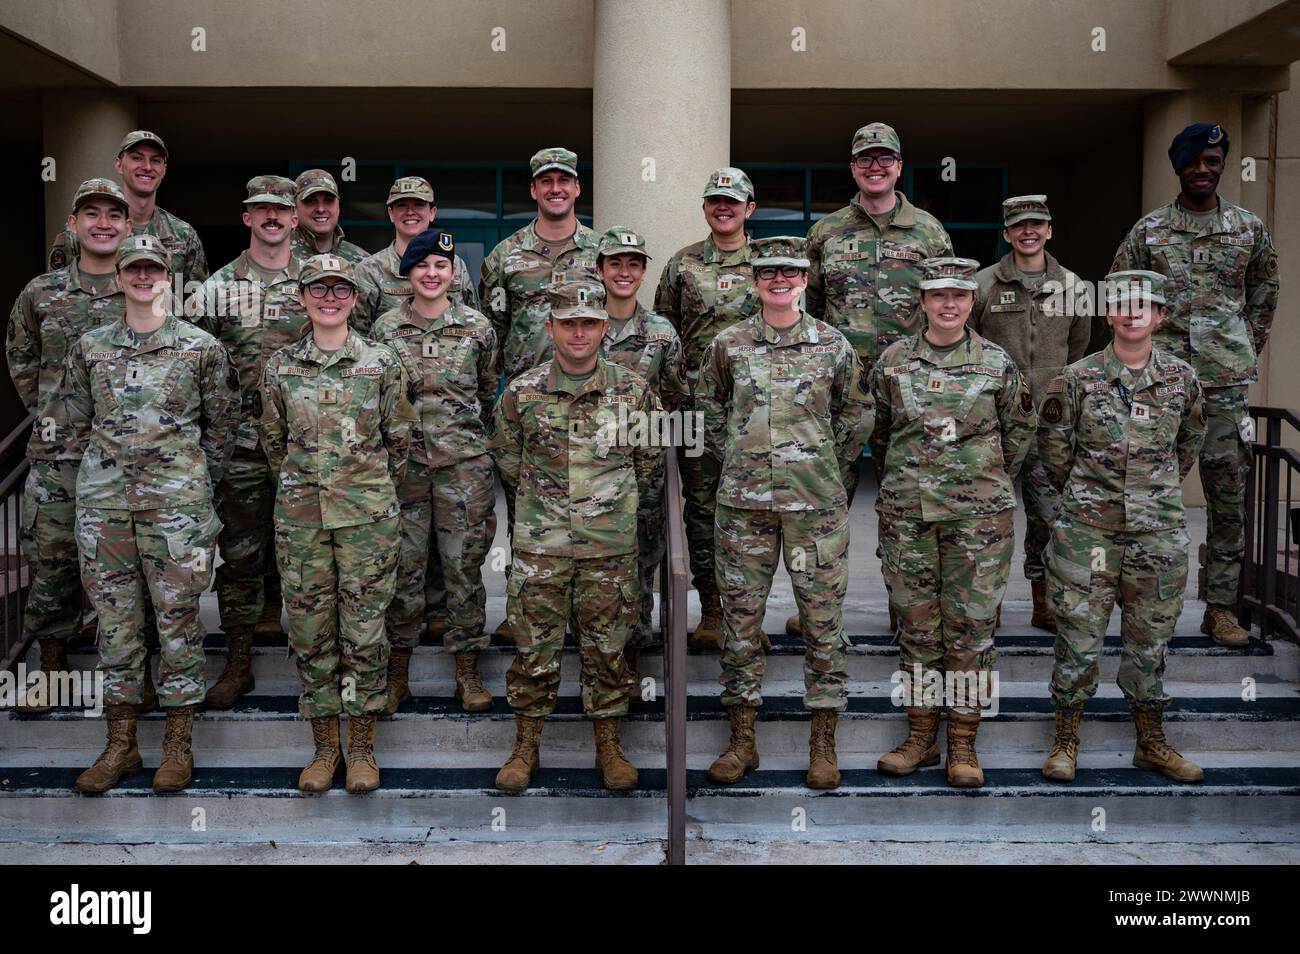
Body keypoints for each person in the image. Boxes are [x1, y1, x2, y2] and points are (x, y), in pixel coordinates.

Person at [64, 234, 238, 793]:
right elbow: (73, 421)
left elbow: (222, 428)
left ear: (168, 277)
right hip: (106, 510)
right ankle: (120, 747)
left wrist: (189, 483)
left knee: (178, 626)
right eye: (132, 269)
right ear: (118, 278)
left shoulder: (201, 348)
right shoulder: (89, 347)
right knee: (116, 630)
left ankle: (177, 746)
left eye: (152, 269)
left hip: (176, 516)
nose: (143, 277)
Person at [697, 237, 872, 790]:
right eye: (769, 272)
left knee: (822, 623)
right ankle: (742, 740)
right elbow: (708, 409)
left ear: (804, 279)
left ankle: (823, 741)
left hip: (814, 510)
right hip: (744, 508)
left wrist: (822, 464)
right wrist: (743, 459)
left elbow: (857, 414)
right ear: (755, 279)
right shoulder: (728, 344)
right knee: (741, 623)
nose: (779, 280)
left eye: (790, 272)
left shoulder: (833, 345)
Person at [868, 257, 1035, 788]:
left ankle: (964, 743)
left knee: (970, 631)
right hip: (908, 516)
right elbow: (879, 430)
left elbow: (1019, 432)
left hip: (978, 521)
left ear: (971, 302)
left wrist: (979, 479)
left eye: (958, 296)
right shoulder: (892, 361)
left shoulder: (996, 363)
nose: (948, 304)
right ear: (921, 301)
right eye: (937, 295)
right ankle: (919, 736)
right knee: (917, 630)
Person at [1110, 122, 1278, 648]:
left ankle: (1221, 608)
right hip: (1158, 384)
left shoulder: (1247, 228)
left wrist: (1239, 346)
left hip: (1223, 387)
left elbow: (1264, 291)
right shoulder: (1150, 231)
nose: (1204, 170)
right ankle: (1141, 603)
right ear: (1177, 166)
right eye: (1194, 161)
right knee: (1144, 493)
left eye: (1213, 160)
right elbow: (1119, 291)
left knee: (1228, 499)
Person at [1037, 270, 1207, 784]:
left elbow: (1189, 442)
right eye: (1122, 303)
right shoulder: (1077, 378)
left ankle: (1150, 741)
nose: (1133, 311)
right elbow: (1054, 450)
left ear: (1160, 316)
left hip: (1157, 532)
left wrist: (1151, 492)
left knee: (1150, 639)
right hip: (1088, 530)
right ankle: (1065, 740)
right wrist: (1092, 497)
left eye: (1145, 304)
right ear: (1108, 314)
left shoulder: (1182, 378)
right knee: (1077, 636)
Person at [488, 282, 657, 793]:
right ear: (551, 328)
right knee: (533, 649)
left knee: (608, 648)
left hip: (608, 545)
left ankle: (609, 746)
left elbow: (647, 462)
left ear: (604, 328)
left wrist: (608, 507)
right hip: (542, 546)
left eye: (588, 323)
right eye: (568, 323)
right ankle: (526, 746)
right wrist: (549, 507)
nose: (578, 332)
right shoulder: (523, 391)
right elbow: (506, 455)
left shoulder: (632, 390)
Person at [256, 254, 414, 794]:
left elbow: (399, 440)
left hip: (367, 518)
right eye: (318, 289)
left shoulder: (381, 362)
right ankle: (325, 749)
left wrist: (361, 486)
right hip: (301, 521)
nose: (329, 297)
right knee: (309, 631)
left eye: (340, 289)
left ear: (354, 298)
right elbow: (274, 443)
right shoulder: (280, 367)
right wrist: (307, 487)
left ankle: (363, 748)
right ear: (302, 297)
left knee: (364, 633)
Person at [8, 179, 134, 714]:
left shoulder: (144, 289)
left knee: (123, 568)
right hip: (58, 456)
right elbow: (21, 356)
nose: (103, 223)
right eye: (92, 214)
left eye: (113, 215)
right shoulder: (41, 292)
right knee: (52, 561)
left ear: (129, 227)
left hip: (126, 456)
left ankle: (126, 672)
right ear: (73, 223)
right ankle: (53, 668)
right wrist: (51, 413)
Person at [194, 176, 310, 708]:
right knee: (240, 558)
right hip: (239, 445)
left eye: (280, 210)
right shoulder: (217, 287)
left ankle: (314, 670)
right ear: (247, 218)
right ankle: (238, 663)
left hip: (306, 447)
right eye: (260, 209)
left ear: (294, 217)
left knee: (308, 558)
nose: (271, 217)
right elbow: (194, 364)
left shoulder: (319, 281)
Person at [372, 230, 499, 714]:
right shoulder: (384, 330)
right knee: (401, 570)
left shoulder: (477, 328)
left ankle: (467, 672)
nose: (431, 273)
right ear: (408, 272)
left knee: (463, 569)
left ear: (452, 274)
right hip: (402, 469)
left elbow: (488, 389)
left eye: (441, 266)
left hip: (462, 470)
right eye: (422, 264)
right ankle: (397, 673)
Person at [479, 147, 600, 641]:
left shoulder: (599, 251)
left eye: (564, 181)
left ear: (576, 189)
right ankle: (523, 611)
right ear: (533, 190)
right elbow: (490, 336)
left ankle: (588, 612)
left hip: (591, 403)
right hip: (530, 409)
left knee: (593, 507)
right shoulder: (504, 256)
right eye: (545, 181)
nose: (555, 189)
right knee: (526, 513)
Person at [975, 195, 1091, 632]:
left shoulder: (1074, 286)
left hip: (1050, 423)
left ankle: (1043, 598)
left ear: (1049, 230)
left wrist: (1054, 386)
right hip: (995, 423)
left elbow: (1078, 345)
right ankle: (987, 600)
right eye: (1019, 226)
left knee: (1049, 516)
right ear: (1006, 234)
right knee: (989, 517)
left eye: (1037, 224)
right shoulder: (984, 283)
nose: (1029, 232)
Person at [653, 167, 759, 649]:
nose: (724, 208)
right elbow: (666, 334)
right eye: (716, 200)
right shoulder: (682, 264)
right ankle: (713, 611)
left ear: (748, 209)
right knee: (702, 510)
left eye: (733, 202)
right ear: (705, 207)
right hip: (697, 411)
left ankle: (748, 617)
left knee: (756, 514)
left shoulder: (768, 263)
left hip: (756, 411)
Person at [595, 226, 686, 676]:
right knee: (596, 568)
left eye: (633, 264)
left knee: (639, 565)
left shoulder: (661, 333)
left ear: (644, 271)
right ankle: (599, 659)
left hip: (642, 474)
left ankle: (631, 661)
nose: (624, 272)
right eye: (615, 263)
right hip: (586, 471)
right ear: (600, 269)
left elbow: (675, 399)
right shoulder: (580, 324)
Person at [48, 130, 208, 288]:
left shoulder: (184, 235)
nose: (147, 167)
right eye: (137, 158)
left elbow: (195, 304)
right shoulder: (82, 233)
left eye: (156, 160)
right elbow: (56, 295)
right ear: (119, 165)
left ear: (164, 170)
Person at [355, 176, 478, 334]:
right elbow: (359, 335)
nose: (410, 212)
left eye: (419, 205)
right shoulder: (369, 270)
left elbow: (473, 319)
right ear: (391, 214)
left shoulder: (455, 264)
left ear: (432, 213)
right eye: (401, 205)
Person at [290, 168, 369, 263]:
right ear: (295, 209)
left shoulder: (361, 260)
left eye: (328, 200)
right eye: (310, 201)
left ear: (338, 208)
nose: (320, 209)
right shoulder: (277, 255)